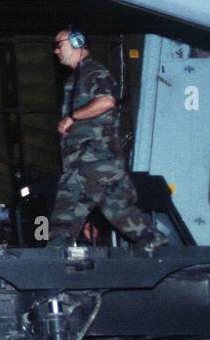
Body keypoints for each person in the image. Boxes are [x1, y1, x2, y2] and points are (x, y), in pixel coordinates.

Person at [46, 28, 167, 250]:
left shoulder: (93, 71)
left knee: (120, 213)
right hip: (79, 165)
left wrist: (72, 117)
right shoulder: (77, 78)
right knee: (62, 223)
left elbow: (106, 102)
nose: (56, 51)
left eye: (58, 44)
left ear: (77, 42)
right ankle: (52, 267)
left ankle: (162, 251)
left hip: (98, 162)